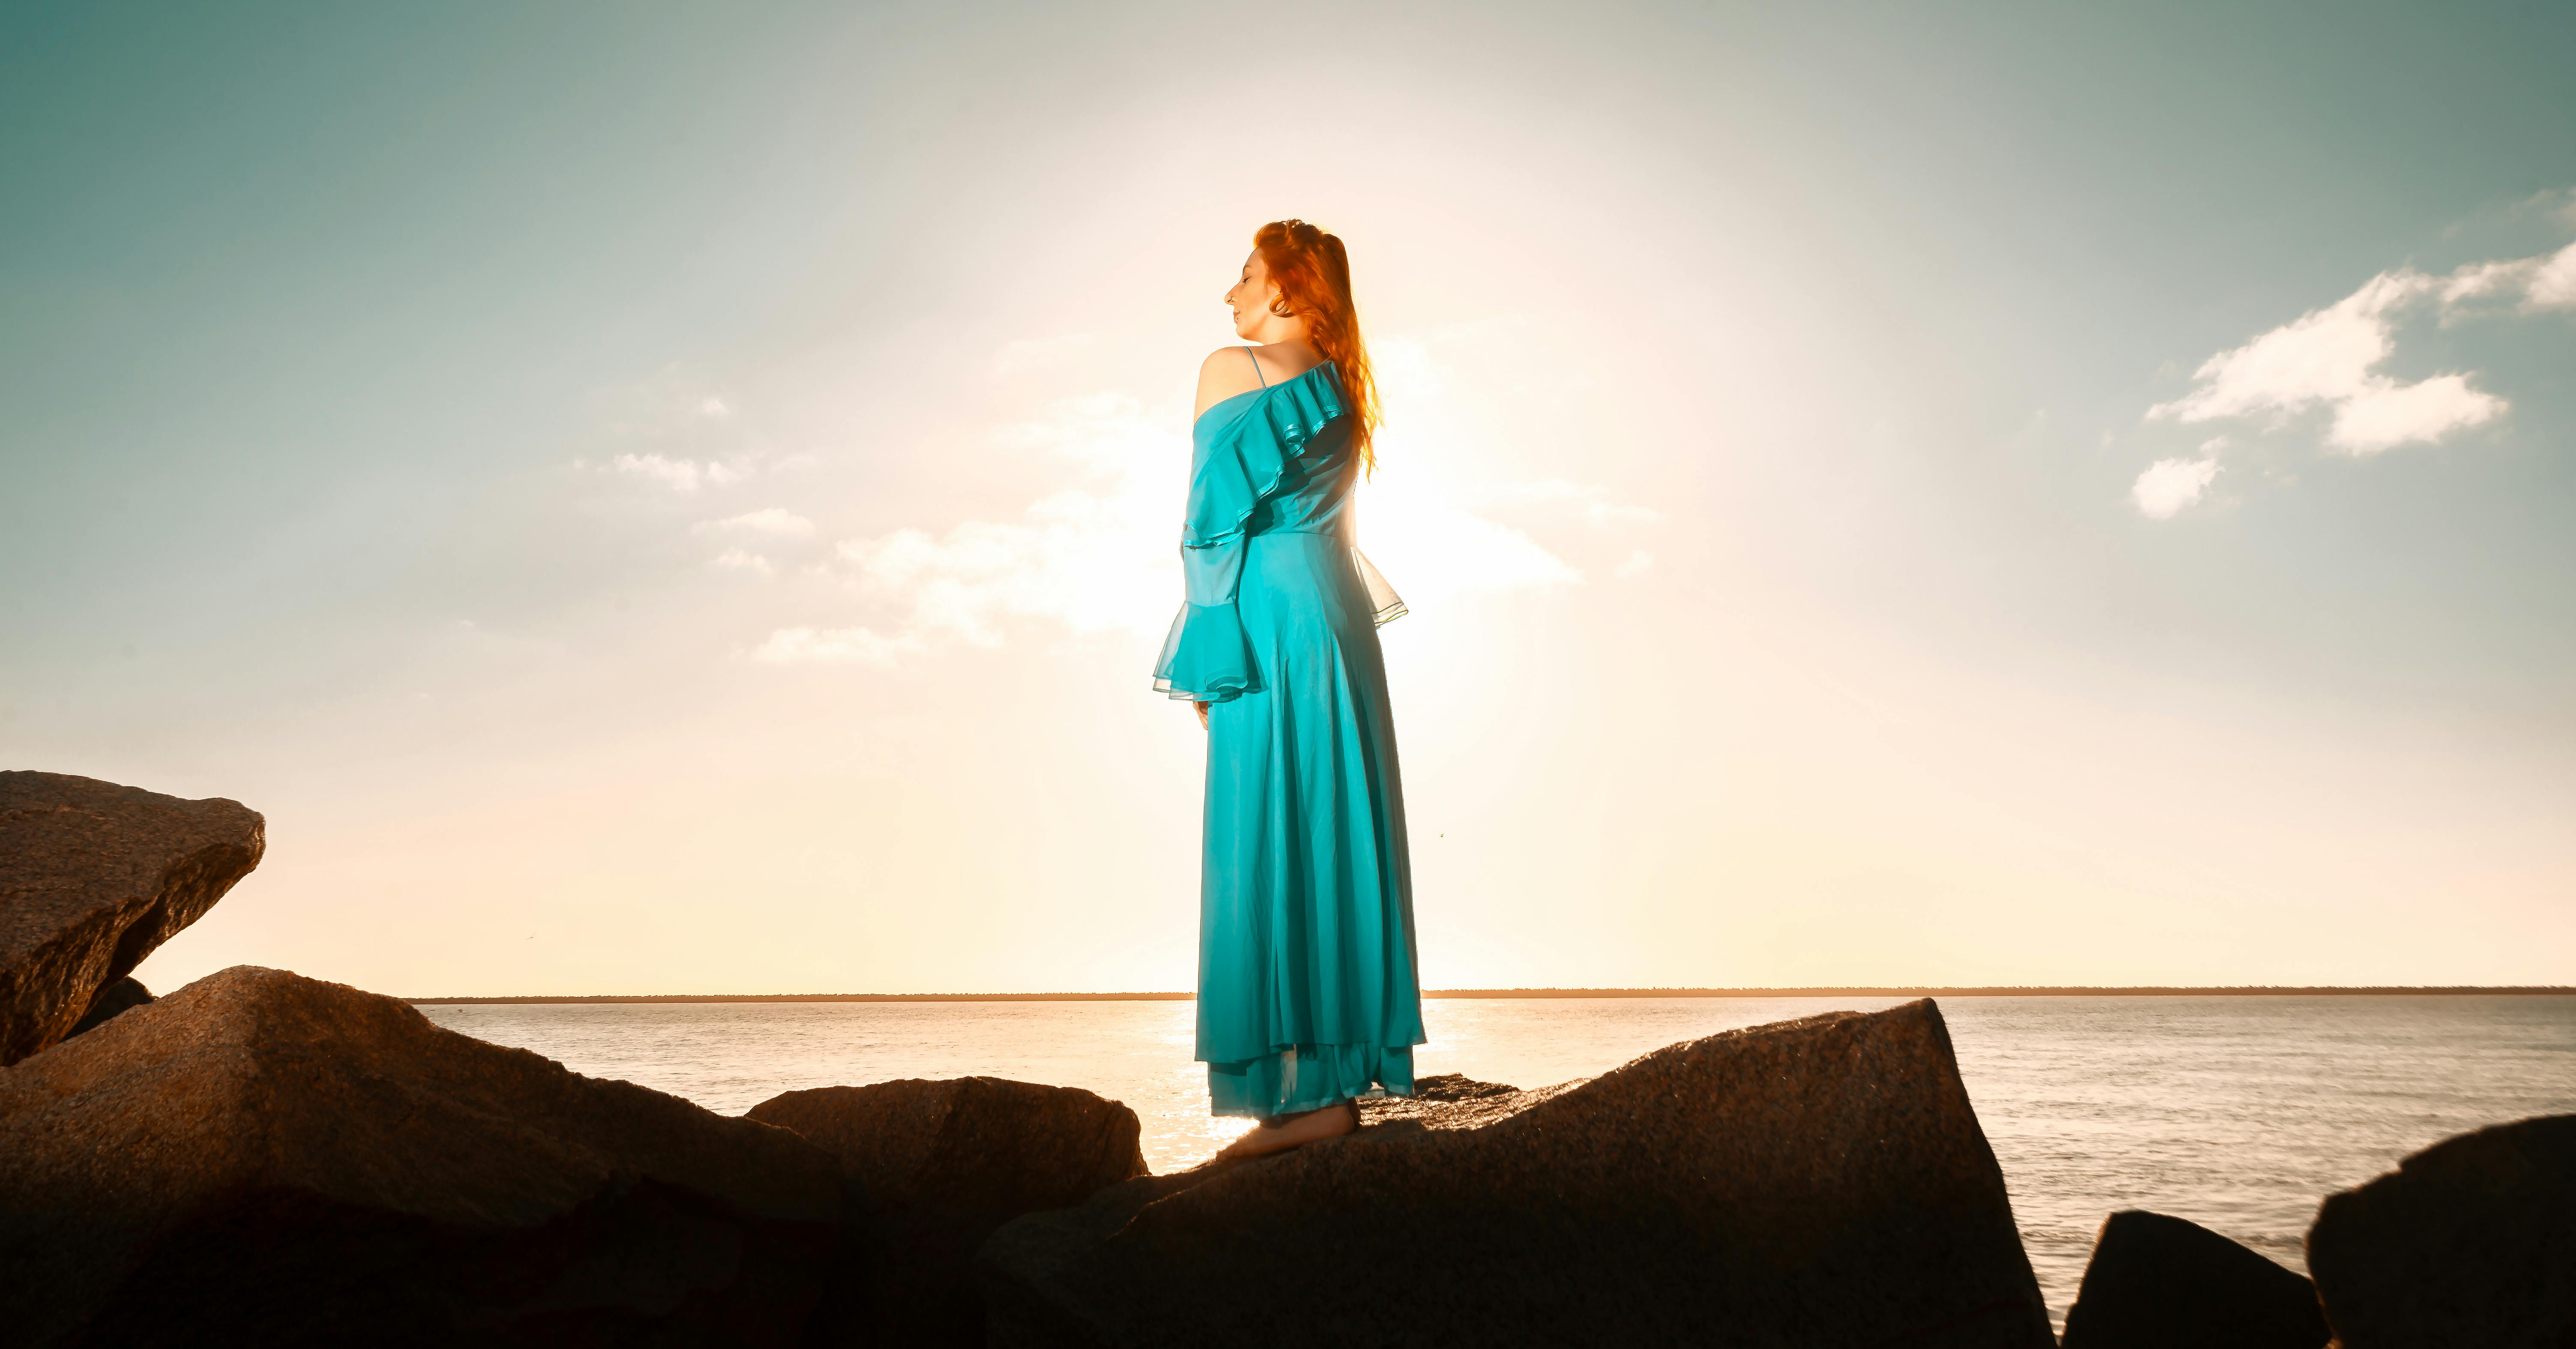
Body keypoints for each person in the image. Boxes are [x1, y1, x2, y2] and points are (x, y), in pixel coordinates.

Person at [1153, 219, 1424, 1161]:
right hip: (1335, 620)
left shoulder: (1234, 368)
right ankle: (1330, 1082)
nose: (1229, 294)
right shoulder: (1344, 391)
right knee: (1333, 832)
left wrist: (1210, 648)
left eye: (1244, 275)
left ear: (1285, 289)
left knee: (1260, 835)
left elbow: (1207, 527)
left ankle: (1300, 1098)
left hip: (1266, 621)